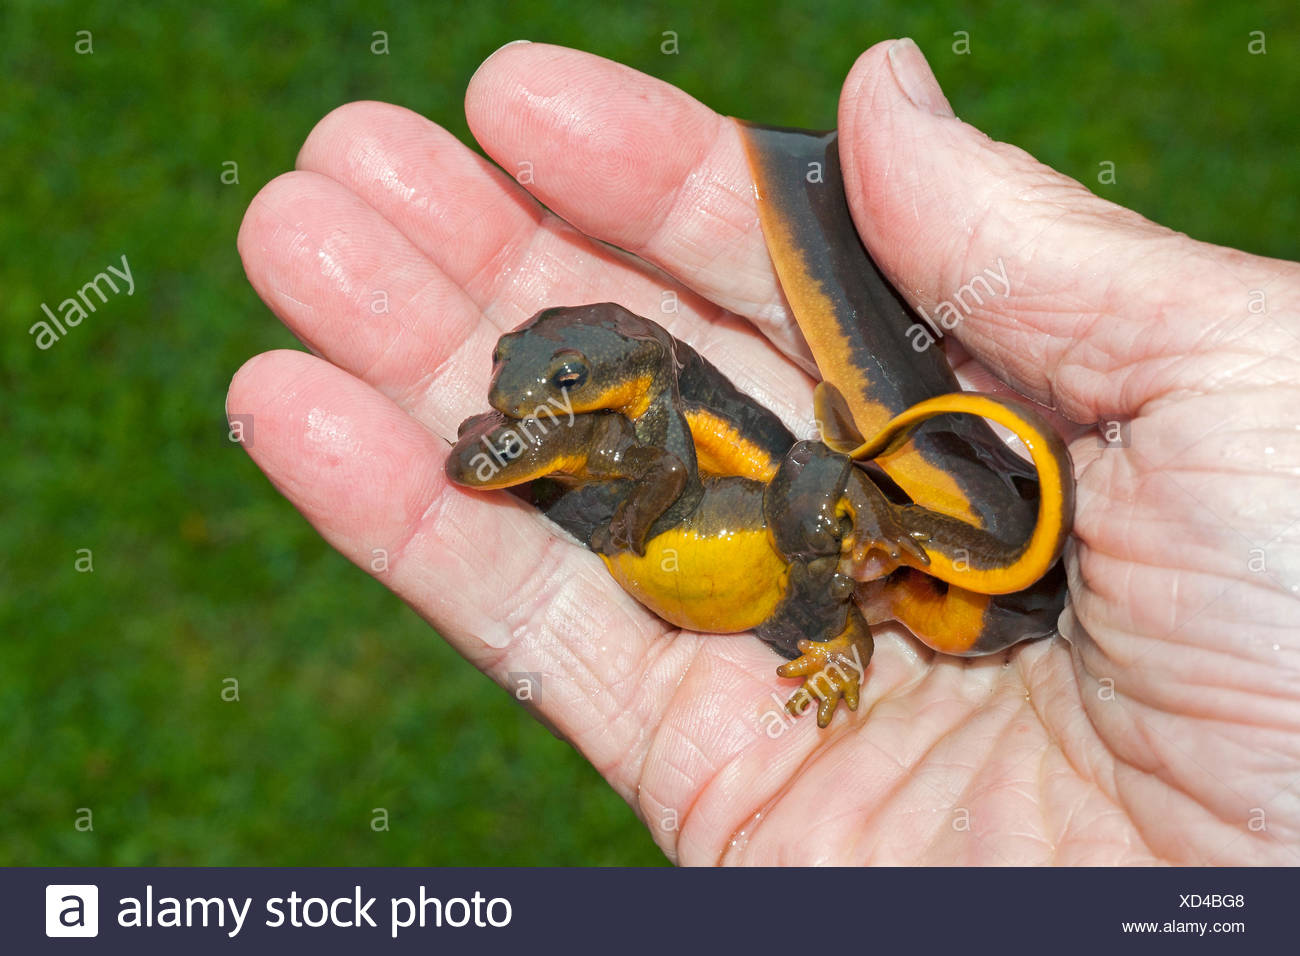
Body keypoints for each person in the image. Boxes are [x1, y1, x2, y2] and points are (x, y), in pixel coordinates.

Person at [229, 39, 1300, 864]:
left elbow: (685, 475)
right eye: (520, 379)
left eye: (554, 389)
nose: (523, 405)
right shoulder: (594, 437)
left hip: (835, 526)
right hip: (803, 557)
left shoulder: (664, 407)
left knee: (830, 497)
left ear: (624, 370)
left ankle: (886, 547)